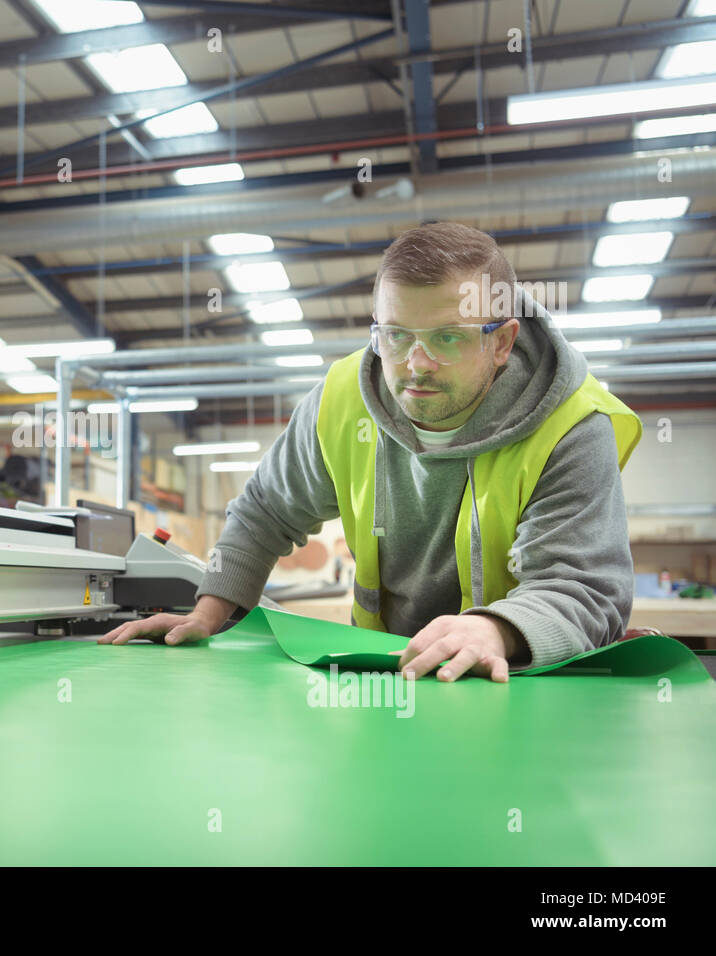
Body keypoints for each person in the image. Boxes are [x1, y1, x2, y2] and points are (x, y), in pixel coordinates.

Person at [100, 222, 642, 683]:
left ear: (500, 342)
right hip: (386, 680)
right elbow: (265, 510)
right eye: (396, 335)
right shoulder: (340, 401)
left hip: (516, 682)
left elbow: (584, 586)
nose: (417, 363)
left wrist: (494, 630)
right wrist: (209, 610)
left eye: (448, 337)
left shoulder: (570, 424)